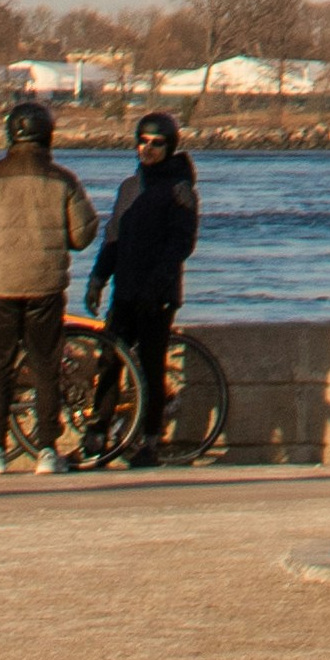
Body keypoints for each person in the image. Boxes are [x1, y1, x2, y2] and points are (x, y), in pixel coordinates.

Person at [0, 94, 98, 469]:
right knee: (45, 366)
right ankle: (47, 450)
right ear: (48, 136)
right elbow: (82, 236)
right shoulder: (63, 179)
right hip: (45, 287)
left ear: (10, 135)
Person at [84, 109, 203, 464]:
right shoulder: (129, 187)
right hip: (125, 289)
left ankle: (151, 440)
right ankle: (97, 434)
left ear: (170, 146)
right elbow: (113, 238)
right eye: (142, 141)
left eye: (157, 143)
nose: (148, 149)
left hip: (159, 295)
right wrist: (97, 279)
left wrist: (157, 286)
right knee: (109, 361)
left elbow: (181, 245)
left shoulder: (180, 189)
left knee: (151, 367)